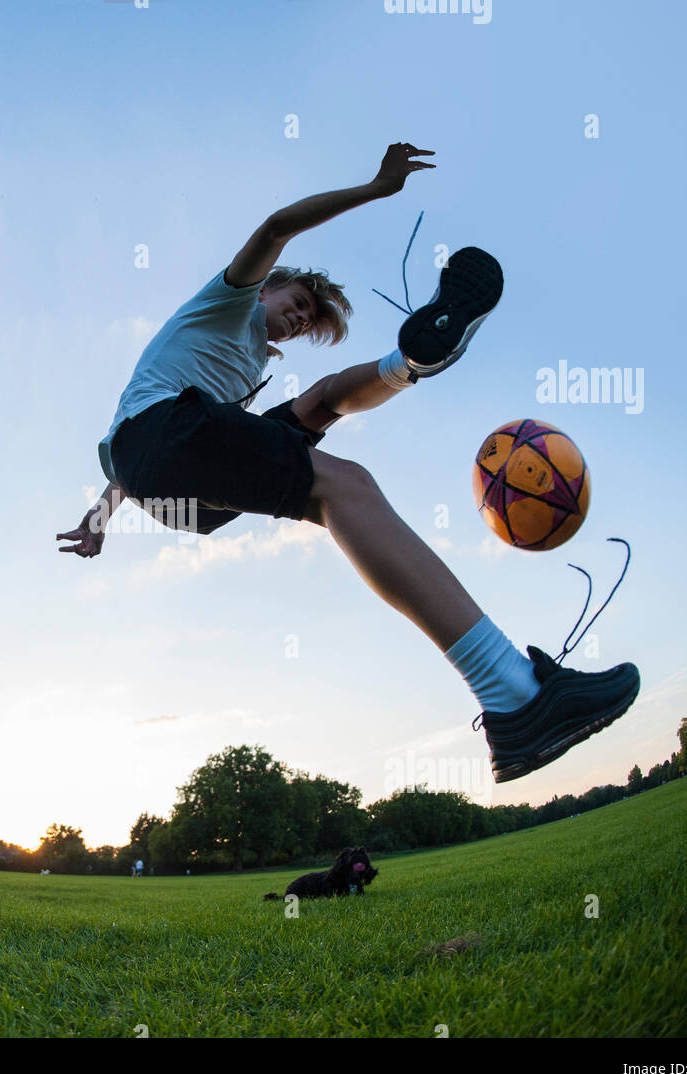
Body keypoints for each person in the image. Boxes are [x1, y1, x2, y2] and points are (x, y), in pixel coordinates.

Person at [57, 143, 639, 783]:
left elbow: (138, 461)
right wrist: (377, 187)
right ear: (268, 287)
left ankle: (410, 363)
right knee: (344, 484)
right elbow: (277, 228)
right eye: (295, 303)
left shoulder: (250, 368)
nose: (297, 317)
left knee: (322, 401)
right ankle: (515, 697)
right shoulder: (225, 304)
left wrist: (98, 518)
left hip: (177, 483)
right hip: (164, 435)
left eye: (306, 319)